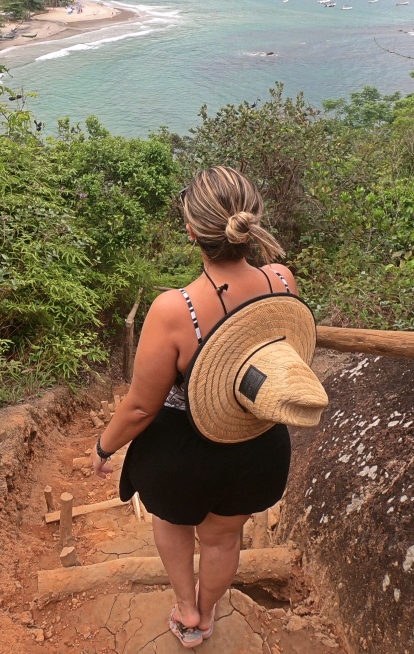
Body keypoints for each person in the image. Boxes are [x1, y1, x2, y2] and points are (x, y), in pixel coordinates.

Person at [90, 166, 325, 648]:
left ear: (192, 230)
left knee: (174, 525)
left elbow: (139, 407)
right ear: (252, 223)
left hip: (181, 452)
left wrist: (103, 447)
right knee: (223, 539)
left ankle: (187, 610)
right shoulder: (282, 280)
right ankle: (210, 606)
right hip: (255, 440)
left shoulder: (175, 310)